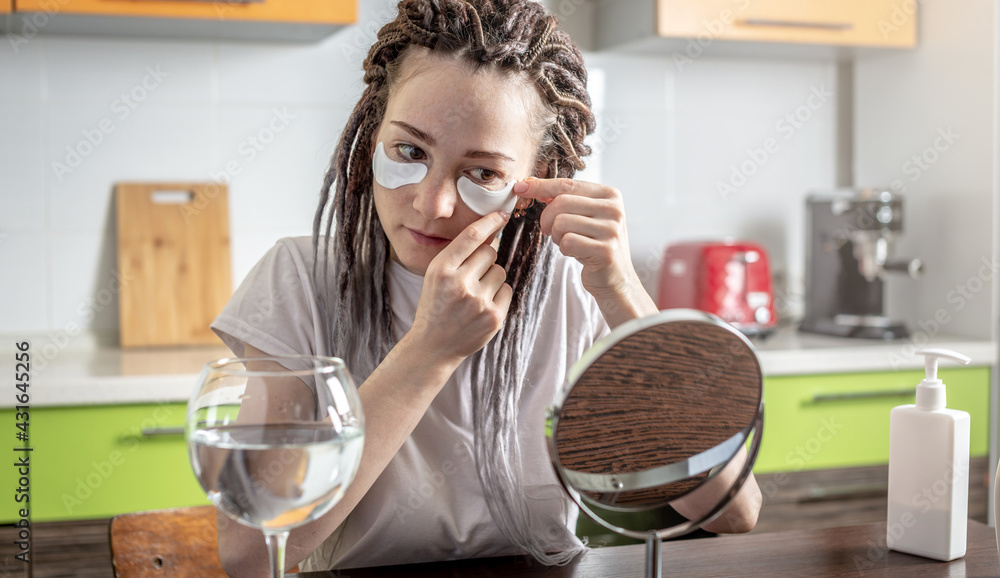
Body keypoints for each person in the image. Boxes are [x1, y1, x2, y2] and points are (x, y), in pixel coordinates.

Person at [211, 0, 762, 575]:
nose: (432, 204)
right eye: (409, 151)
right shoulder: (299, 280)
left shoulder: (572, 285)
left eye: (482, 174)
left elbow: (732, 509)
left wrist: (622, 292)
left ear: (535, 181)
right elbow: (250, 553)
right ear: (373, 136)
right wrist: (430, 349)